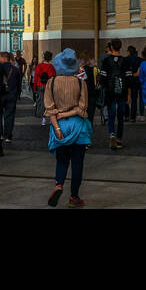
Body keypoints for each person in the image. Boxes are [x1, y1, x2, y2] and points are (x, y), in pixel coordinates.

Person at [43, 48, 90, 208]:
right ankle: (74, 197)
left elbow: (49, 109)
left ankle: (58, 184)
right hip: (78, 126)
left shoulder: (52, 82)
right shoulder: (80, 82)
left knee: (62, 161)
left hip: (60, 127)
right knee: (77, 164)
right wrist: (68, 113)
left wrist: (57, 126)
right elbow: (83, 108)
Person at [99, 40, 127, 150]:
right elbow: (128, 78)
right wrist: (128, 94)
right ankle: (119, 139)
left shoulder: (106, 61)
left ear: (111, 47)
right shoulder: (125, 61)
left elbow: (102, 78)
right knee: (121, 116)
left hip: (110, 92)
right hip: (122, 92)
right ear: (120, 47)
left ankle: (112, 133)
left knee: (111, 115)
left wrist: (105, 89)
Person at [0, 50, 21, 143]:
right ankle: (8, 136)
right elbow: (18, 84)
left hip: (0, 96)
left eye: (0, 57)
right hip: (12, 95)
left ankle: (0, 134)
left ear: (4, 58)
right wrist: (17, 94)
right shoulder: (15, 69)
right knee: (9, 116)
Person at [32, 51, 55, 120]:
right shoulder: (51, 67)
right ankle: (46, 113)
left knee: (40, 100)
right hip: (48, 86)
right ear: (50, 58)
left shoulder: (39, 66)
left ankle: (39, 113)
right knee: (48, 100)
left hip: (39, 85)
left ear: (44, 57)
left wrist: (35, 87)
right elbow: (53, 77)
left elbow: (35, 77)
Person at [124, 45, 142, 124]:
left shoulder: (125, 59)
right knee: (136, 99)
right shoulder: (140, 60)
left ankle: (127, 116)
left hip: (128, 80)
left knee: (127, 98)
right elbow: (140, 72)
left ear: (128, 51)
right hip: (137, 81)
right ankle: (134, 117)